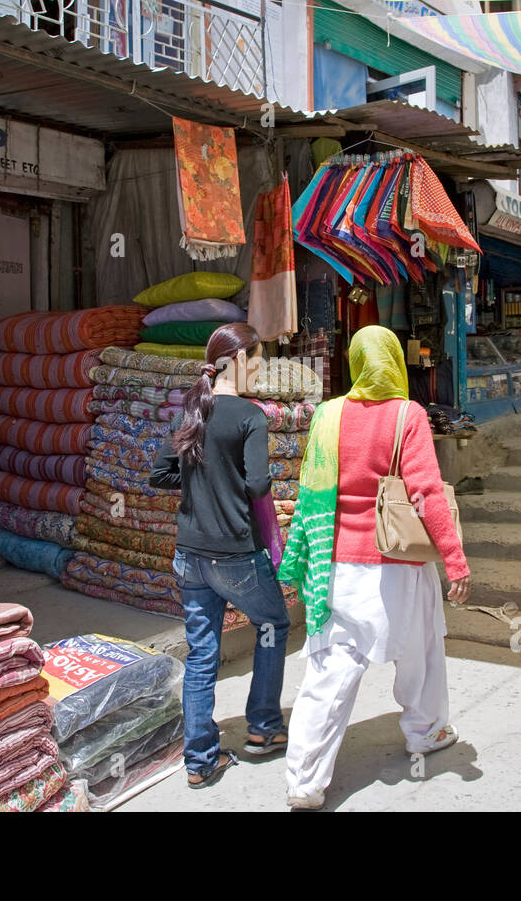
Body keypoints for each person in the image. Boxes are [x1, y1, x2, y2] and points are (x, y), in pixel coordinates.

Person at [278, 325, 470, 810]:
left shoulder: (326, 414)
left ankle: (304, 781)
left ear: (354, 363)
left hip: (336, 565)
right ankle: (424, 733)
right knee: (420, 651)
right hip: (398, 564)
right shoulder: (409, 415)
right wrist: (454, 559)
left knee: (329, 673)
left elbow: (308, 489)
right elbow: (426, 491)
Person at [149, 322, 291, 788]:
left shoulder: (191, 410)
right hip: (236, 554)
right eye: (261, 358)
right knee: (272, 624)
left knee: (202, 653)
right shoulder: (250, 416)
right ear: (241, 360)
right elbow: (255, 485)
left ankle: (199, 761)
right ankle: (264, 729)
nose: (263, 368)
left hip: (190, 555)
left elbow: (161, 475)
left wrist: (201, 483)